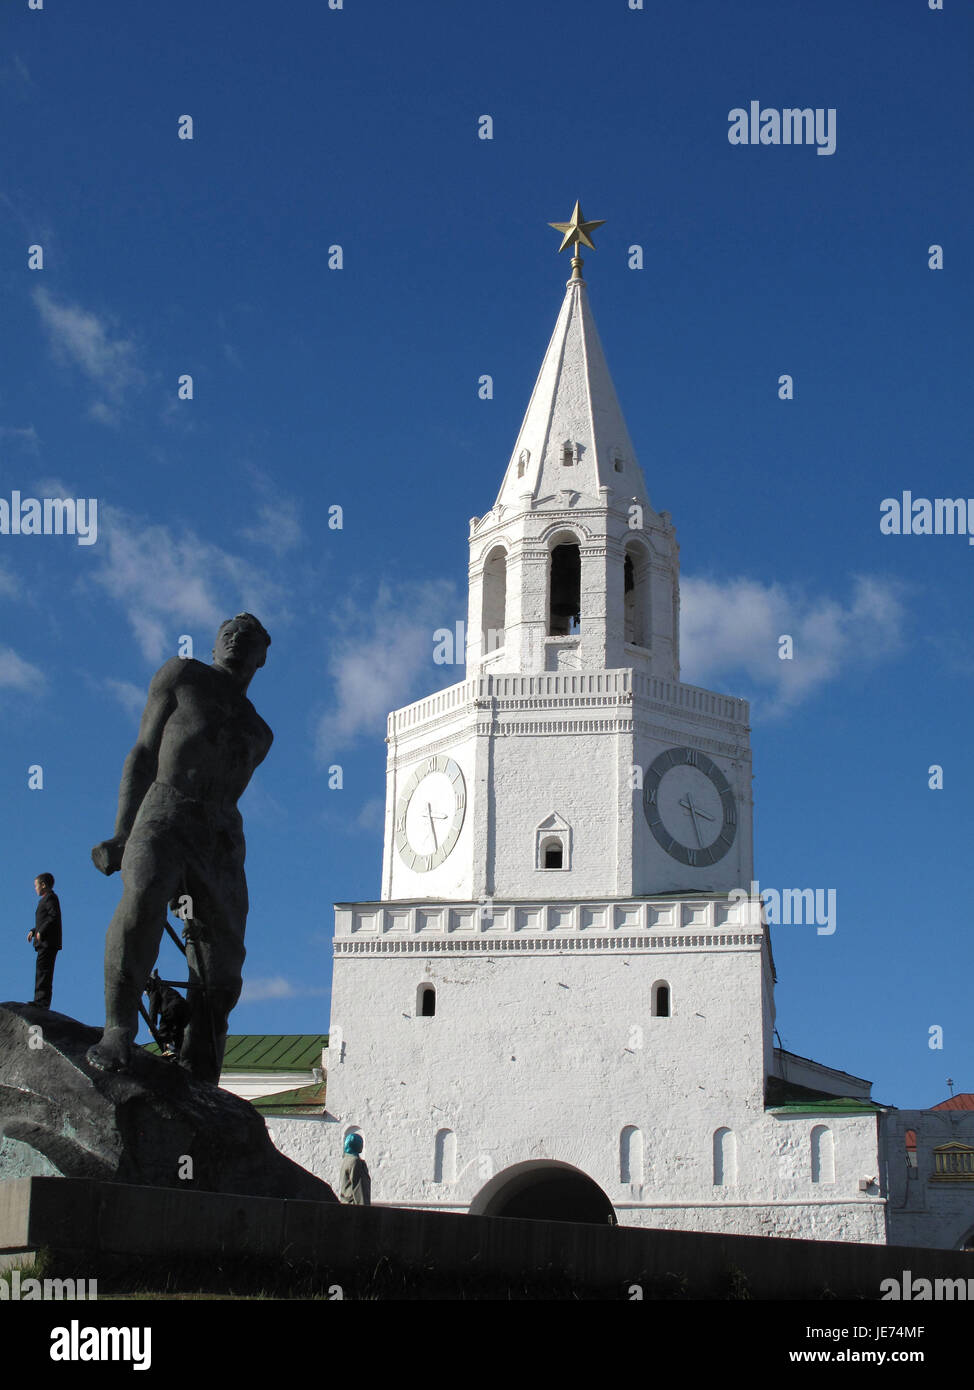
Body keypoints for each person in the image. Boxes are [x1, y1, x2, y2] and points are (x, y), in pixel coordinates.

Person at [87, 613, 273, 1083]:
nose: (234, 641)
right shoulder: (183, 675)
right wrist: (122, 831)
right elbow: (144, 752)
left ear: (262, 657)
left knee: (223, 966)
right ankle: (118, 1029)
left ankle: (200, 1063)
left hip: (222, 837)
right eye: (227, 634)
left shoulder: (259, 731)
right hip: (167, 809)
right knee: (142, 903)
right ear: (213, 646)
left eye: (246, 639)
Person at [27, 873, 61, 1008]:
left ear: (43, 885)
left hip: (48, 942)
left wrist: (41, 931)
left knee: (44, 971)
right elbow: (44, 920)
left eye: (36, 885)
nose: (35, 889)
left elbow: (53, 916)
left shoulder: (51, 898)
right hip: (43, 943)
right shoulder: (45, 900)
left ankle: (42, 1001)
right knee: (41, 970)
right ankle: (39, 999)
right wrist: (34, 930)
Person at [339, 1132, 371, 1206]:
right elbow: (359, 1188)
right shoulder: (355, 1162)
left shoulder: (346, 1160)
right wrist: (365, 1210)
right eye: (361, 1143)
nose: (362, 1146)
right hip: (354, 1207)